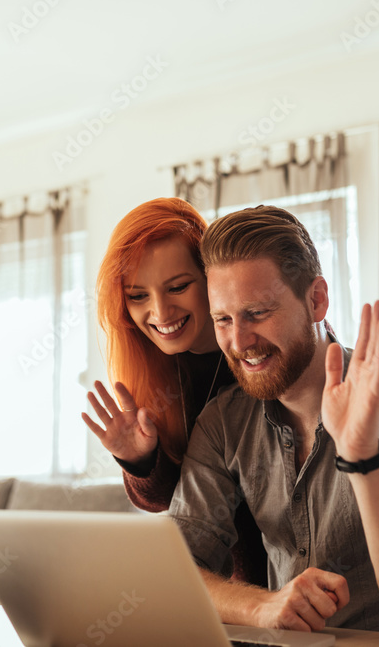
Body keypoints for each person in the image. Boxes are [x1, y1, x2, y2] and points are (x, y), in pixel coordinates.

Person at [168, 205, 379, 640]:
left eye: (257, 313)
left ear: (316, 300)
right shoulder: (224, 422)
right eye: (223, 319)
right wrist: (262, 606)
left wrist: (365, 459)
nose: (238, 341)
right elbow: (176, 571)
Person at [81, 197, 268, 585]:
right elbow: (173, 504)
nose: (161, 313)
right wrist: (141, 461)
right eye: (137, 295)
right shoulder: (154, 368)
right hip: (233, 592)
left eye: (178, 287)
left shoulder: (259, 351)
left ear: (210, 279)